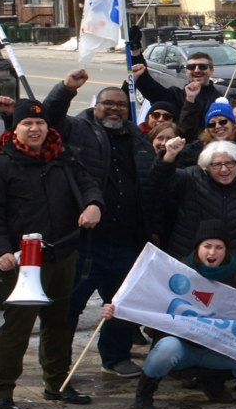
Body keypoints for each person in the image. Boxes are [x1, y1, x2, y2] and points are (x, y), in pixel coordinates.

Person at [0, 98, 104, 409]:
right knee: (17, 328)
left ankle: (58, 383)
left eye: (40, 123)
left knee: (59, 324)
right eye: (27, 124)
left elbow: (89, 186)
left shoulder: (64, 157)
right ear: (15, 128)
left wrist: (93, 204)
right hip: (23, 262)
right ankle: (1, 391)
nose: (35, 129)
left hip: (64, 254)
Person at [108, 222, 236, 409]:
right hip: (182, 348)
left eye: (219, 247)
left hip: (216, 348)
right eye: (207, 246)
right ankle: (144, 397)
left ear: (226, 251)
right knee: (166, 350)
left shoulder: (235, 275)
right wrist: (115, 313)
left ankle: (212, 380)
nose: (212, 252)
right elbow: (147, 307)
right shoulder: (177, 273)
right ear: (197, 248)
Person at [46, 73, 158, 378]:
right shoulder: (78, 130)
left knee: (120, 305)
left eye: (121, 105)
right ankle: (57, 364)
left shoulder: (137, 137)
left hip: (127, 241)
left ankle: (115, 357)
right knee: (70, 306)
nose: (114, 109)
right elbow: (51, 119)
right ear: (95, 106)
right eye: (108, 103)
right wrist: (65, 89)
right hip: (86, 240)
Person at [154, 138, 236, 302]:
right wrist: (169, 157)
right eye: (217, 165)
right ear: (206, 166)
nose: (224, 169)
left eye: (230, 163)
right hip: (193, 270)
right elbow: (160, 184)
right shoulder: (190, 178)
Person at [174, 98, 236, 173]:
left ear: (233, 124)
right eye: (211, 124)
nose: (218, 126)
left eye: (223, 122)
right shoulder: (198, 147)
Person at [134, 49, 222, 130]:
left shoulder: (220, 100)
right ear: (186, 72)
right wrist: (135, 52)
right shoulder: (174, 96)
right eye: (191, 67)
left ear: (211, 71)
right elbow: (148, 86)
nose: (197, 70)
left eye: (202, 67)